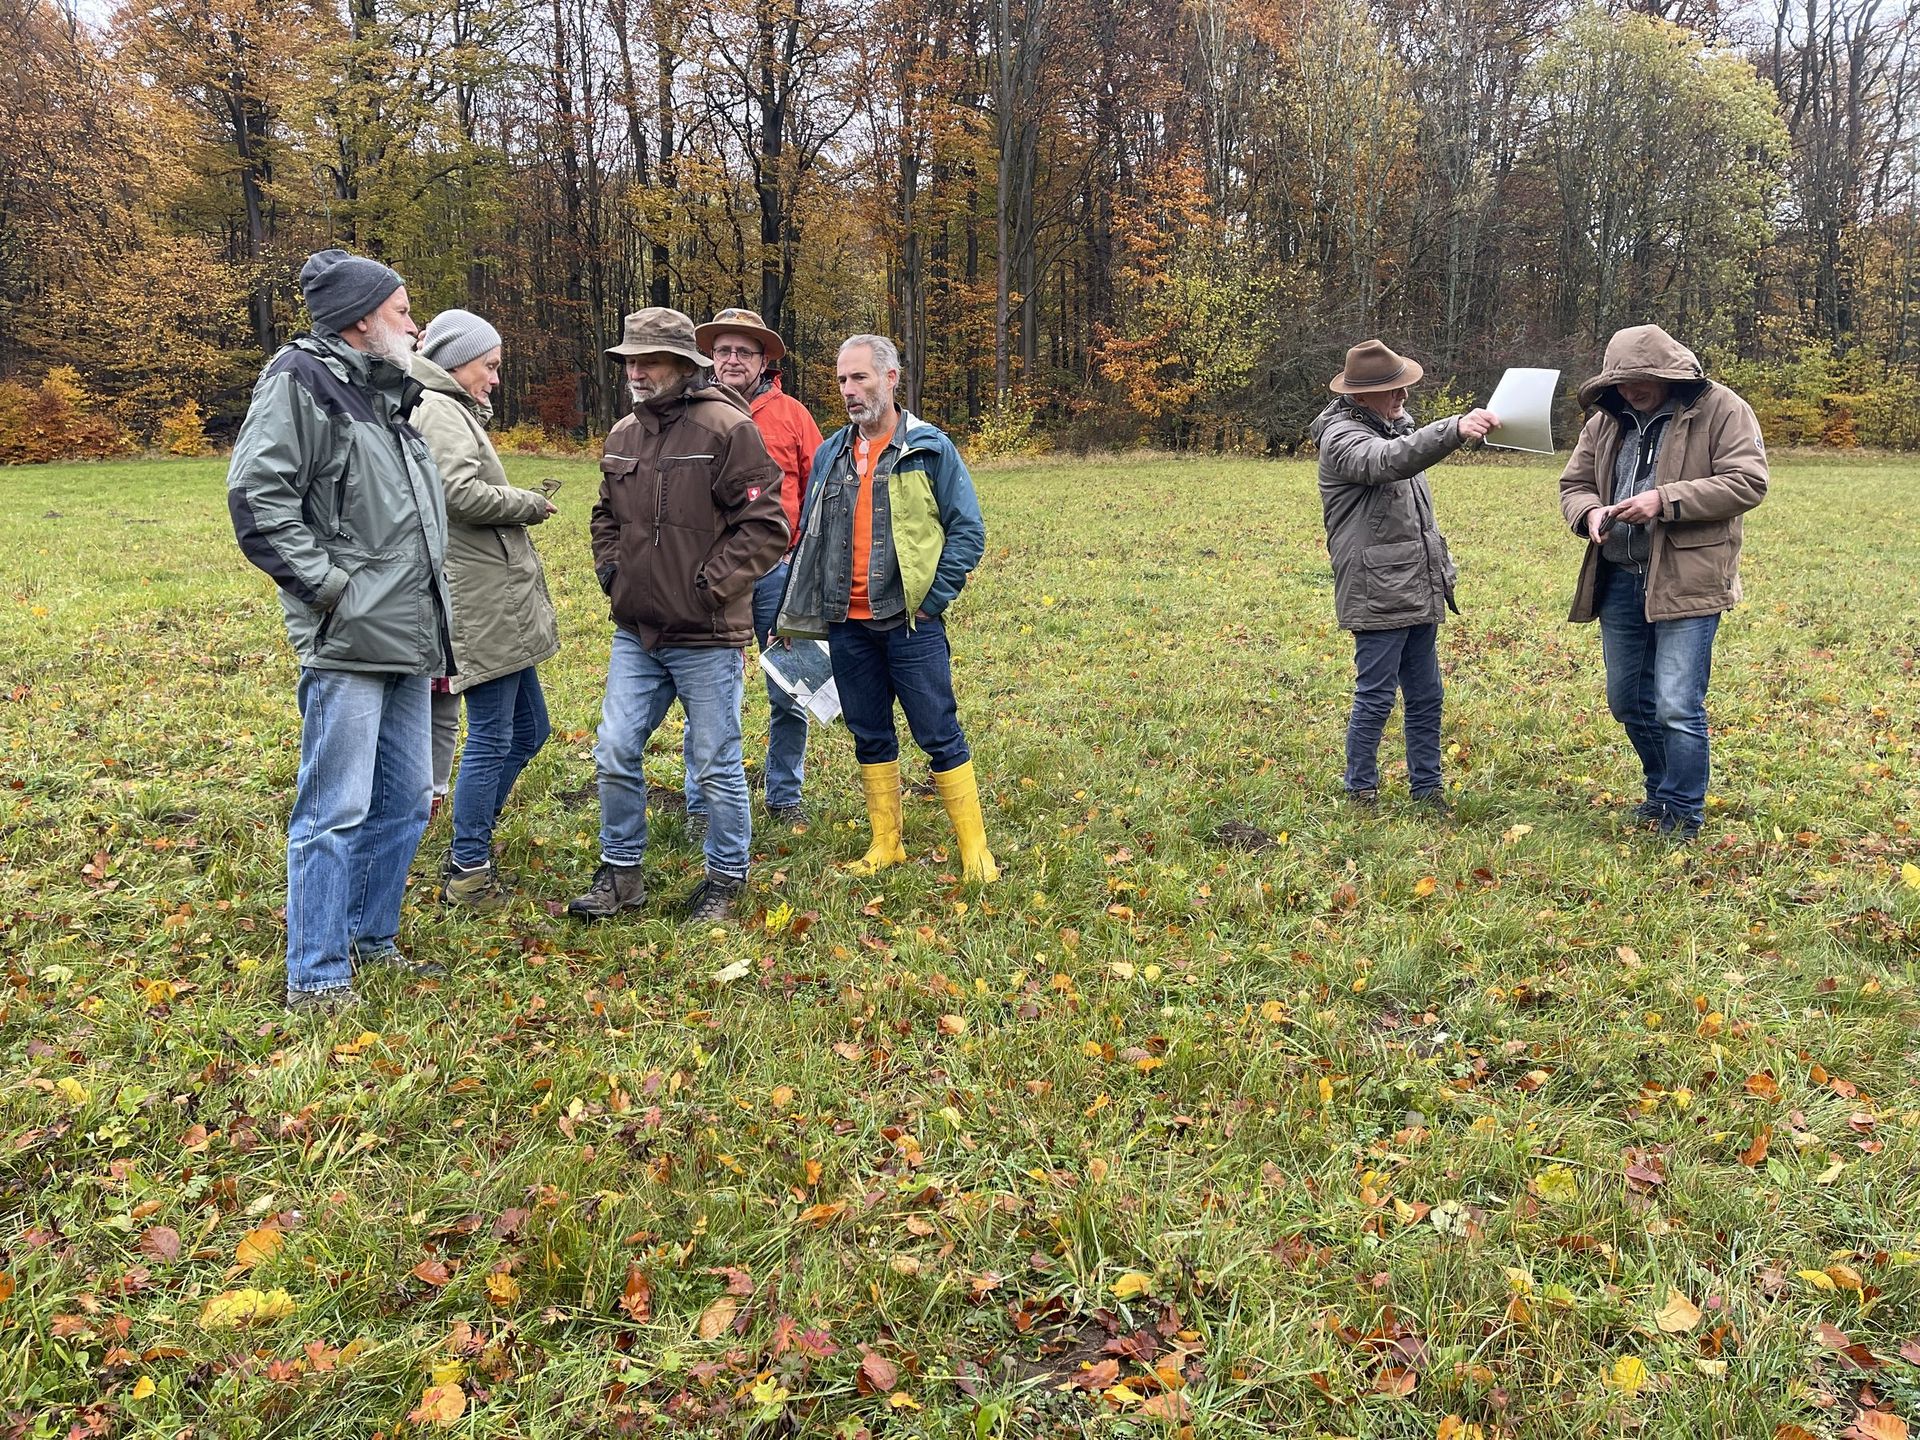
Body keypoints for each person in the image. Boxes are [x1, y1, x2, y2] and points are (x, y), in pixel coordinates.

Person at [226, 248, 453, 1010]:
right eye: (402, 309)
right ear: (361, 317)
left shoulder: (390, 395)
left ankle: (370, 938)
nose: (415, 323)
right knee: (334, 810)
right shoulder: (301, 379)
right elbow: (259, 496)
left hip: (409, 632)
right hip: (351, 637)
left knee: (408, 797)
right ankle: (317, 974)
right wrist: (331, 591)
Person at [567, 307, 787, 923]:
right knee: (613, 748)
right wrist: (614, 574)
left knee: (715, 760)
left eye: (649, 360)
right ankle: (621, 874)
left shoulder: (726, 427)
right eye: (630, 360)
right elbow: (604, 515)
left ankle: (725, 879)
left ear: (683, 365)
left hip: (706, 635)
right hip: (636, 633)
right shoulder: (621, 435)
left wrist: (707, 588)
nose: (637, 371)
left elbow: (766, 526)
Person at [776, 334, 998, 883]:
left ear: (891, 378)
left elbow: (967, 530)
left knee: (938, 730)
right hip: (845, 625)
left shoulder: (929, 448)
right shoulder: (830, 452)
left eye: (860, 378)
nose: (850, 391)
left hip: (908, 624)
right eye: (843, 380)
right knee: (869, 732)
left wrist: (931, 600)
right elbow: (810, 535)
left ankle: (975, 851)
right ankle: (886, 844)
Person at [1559, 324, 1768, 842]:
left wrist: (1663, 500)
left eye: (1642, 379)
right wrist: (1587, 512)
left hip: (1689, 580)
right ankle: (1660, 791)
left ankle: (1683, 813)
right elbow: (1575, 483)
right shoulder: (1605, 421)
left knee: (1677, 704)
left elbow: (1748, 481)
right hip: (1620, 576)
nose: (1632, 390)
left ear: (1669, 373)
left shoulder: (1723, 409)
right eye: (1623, 381)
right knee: (1628, 700)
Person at [1310, 339, 1500, 814]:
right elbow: (1386, 462)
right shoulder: (1342, 439)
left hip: (1416, 582)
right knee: (1376, 695)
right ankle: (1361, 791)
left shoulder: (1396, 429)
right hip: (1376, 588)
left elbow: (1405, 463)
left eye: (1404, 388)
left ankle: (1427, 789)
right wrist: (1453, 430)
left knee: (1427, 695)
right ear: (1360, 396)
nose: (1403, 397)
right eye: (1393, 390)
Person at [411, 308, 560, 906]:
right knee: (496, 735)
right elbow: (454, 492)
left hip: (496, 603)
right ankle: (468, 868)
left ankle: (470, 839)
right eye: (490, 366)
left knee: (531, 729)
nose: (496, 379)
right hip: (478, 605)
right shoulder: (440, 409)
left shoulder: (449, 406)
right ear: (456, 360)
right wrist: (524, 502)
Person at [680, 306, 825, 828]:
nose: (733, 359)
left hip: (779, 574)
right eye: (724, 350)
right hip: (710, 579)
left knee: (789, 688)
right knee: (710, 691)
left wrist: (803, 562)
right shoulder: (689, 412)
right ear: (710, 358)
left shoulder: (794, 416)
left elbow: (819, 494)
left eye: (745, 350)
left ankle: (784, 795)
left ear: (765, 359)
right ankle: (701, 802)